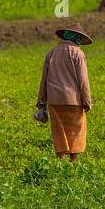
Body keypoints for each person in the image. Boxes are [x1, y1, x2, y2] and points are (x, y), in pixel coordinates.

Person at [36, 23, 93, 161]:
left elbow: (44, 79)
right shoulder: (78, 54)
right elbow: (83, 81)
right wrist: (87, 101)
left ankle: (60, 160)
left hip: (54, 101)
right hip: (73, 100)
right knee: (76, 130)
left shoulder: (51, 53)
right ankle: (73, 161)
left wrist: (41, 101)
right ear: (77, 38)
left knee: (58, 130)